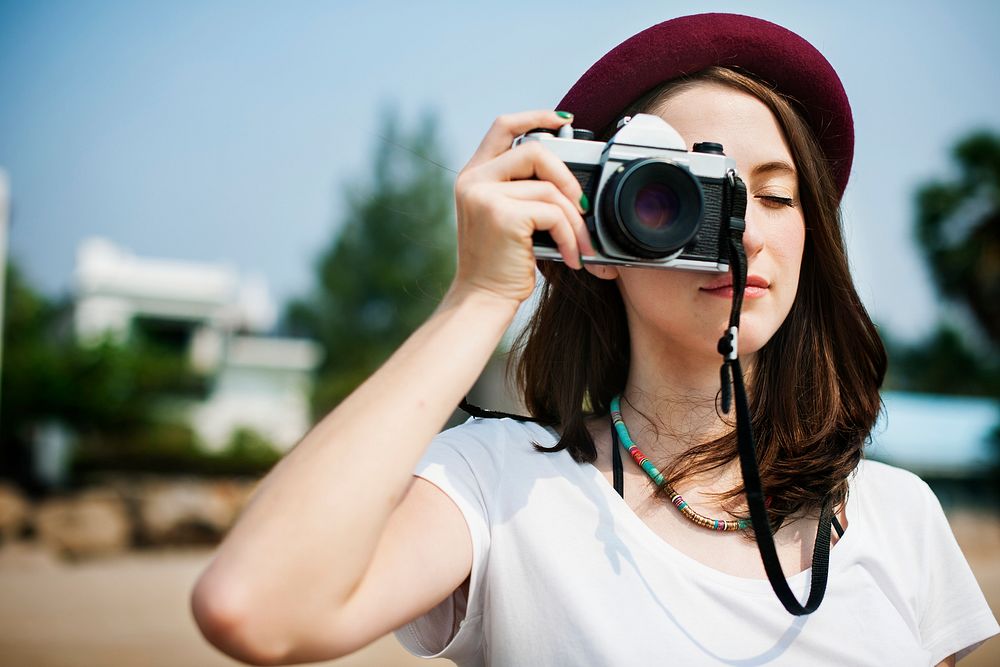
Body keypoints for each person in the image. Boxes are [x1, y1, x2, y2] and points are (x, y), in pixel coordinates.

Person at [190, 13, 999, 666]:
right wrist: (478, 295)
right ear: (601, 232)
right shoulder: (499, 489)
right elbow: (254, 607)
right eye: (682, 195)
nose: (740, 234)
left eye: (776, 196)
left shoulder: (897, 514)